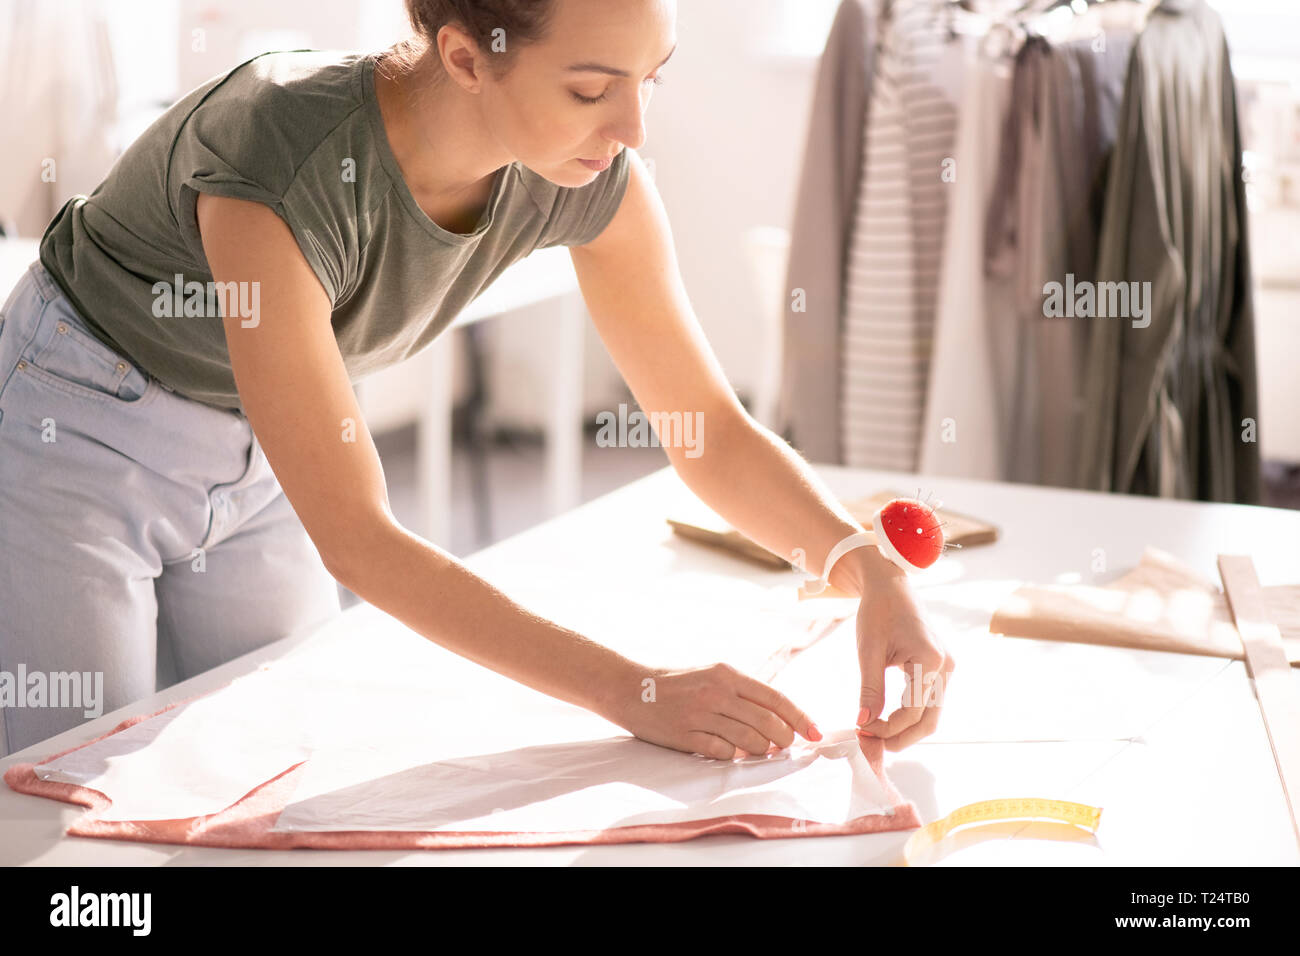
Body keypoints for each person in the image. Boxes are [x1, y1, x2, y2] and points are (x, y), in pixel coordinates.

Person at [0, 0, 952, 760]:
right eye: (591, 89)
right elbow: (362, 541)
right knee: (67, 783)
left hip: (264, 456)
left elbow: (705, 423)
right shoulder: (278, 161)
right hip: (81, 420)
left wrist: (862, 567)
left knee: (272, 752)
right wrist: (637, 690)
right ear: (464, 57)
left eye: (650, 80)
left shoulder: (591, 177)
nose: (632, 126)